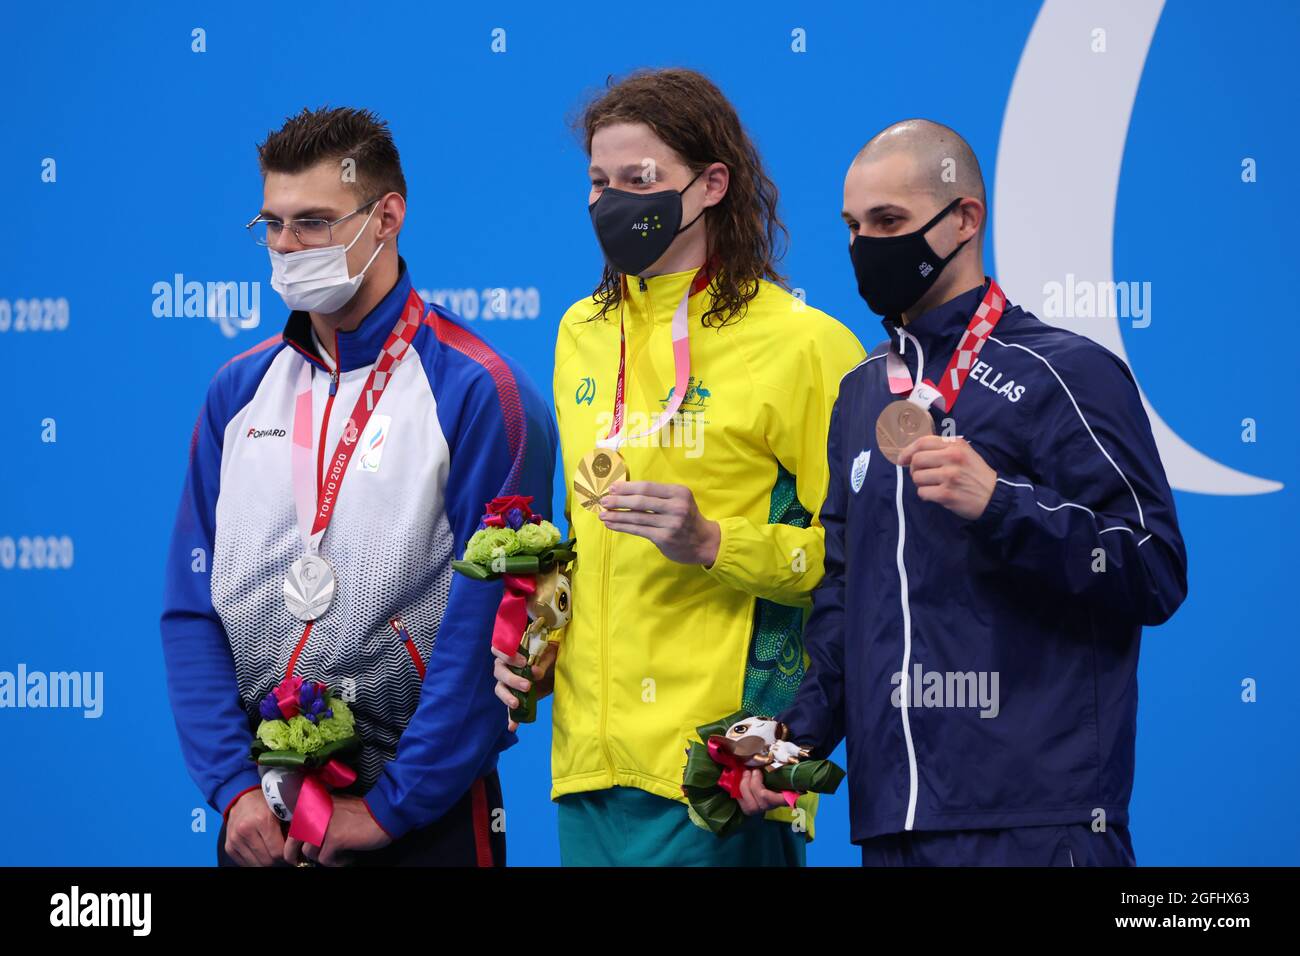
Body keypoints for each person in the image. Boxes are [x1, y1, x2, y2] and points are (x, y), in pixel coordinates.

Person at [740, 119, 1188, 866]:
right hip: (893, 826)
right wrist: (792, 739)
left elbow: (1155, 568)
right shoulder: (860, 397)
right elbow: (841, 600)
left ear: (965, 220)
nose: (865, 246)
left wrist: (1003, 503)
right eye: (852, 226)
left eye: (889, 222)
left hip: (1037, 819)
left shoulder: (1066, 373)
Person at [160, 106, 557, 867]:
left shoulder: (478, 392)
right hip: (262, 827)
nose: (284, 247)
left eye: (312, 221)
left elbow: (489, 627)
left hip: (421, 822)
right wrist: (235, 791)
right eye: (271, 223)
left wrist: (387, 811)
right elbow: (190, 608)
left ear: (387, 217)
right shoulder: (235, 394)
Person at [493, 68, 866, 866]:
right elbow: (590, 538)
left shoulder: (806, 345)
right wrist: (540, 634)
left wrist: (713, 542)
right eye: (599, 181)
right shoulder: (580, 330)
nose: (613, 201)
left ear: (710, 186)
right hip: (588, 767)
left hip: (717, 776)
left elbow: (858, 563)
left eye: (640, 180)